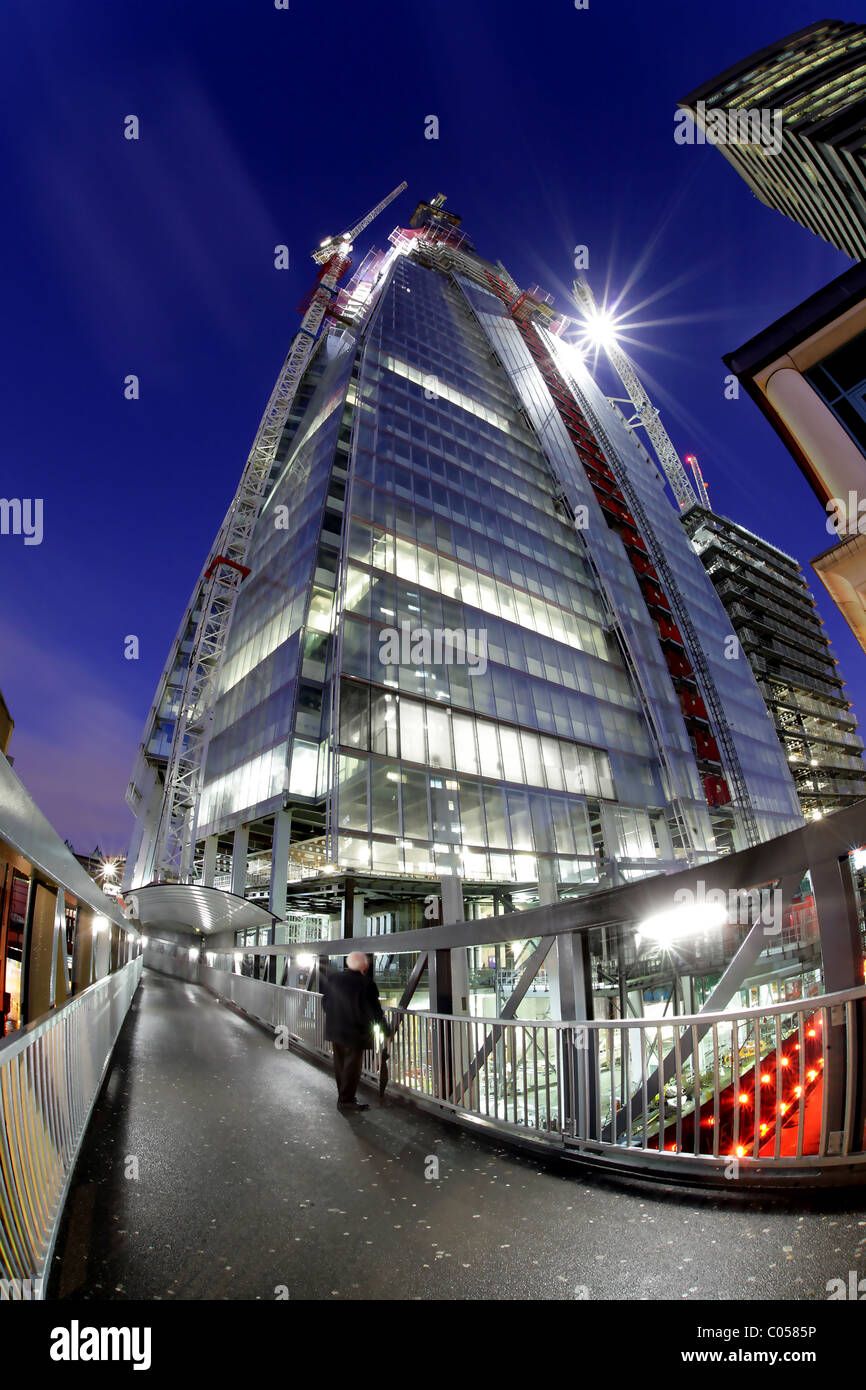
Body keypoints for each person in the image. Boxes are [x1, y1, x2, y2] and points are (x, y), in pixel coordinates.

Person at [321, 952, 393, 1112]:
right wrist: (387, 1031)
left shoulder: (334, 979)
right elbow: (375, 1012)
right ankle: (346, 1101)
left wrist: (334, 1016)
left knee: (340, 1065)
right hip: (355, 1032)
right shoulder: (367, 984)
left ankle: (344, 1097)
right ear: (364, 965)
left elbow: (325, 1002)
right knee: (352, 1068)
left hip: (336, 1030)